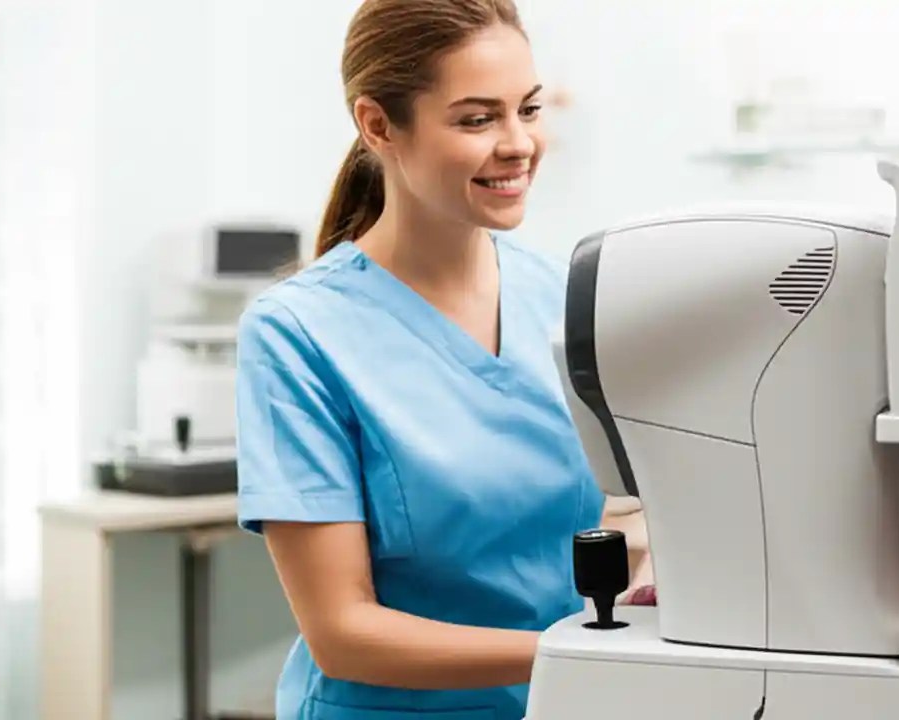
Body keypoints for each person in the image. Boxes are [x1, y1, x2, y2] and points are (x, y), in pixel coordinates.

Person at [232, 1, 651, 718]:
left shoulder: (564, 297)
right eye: (477, 119)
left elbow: (611, 521)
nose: (519, 143)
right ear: (378, 125)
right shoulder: (298, 332)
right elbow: (343, 633)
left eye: (529, 108)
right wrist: (578, 647)